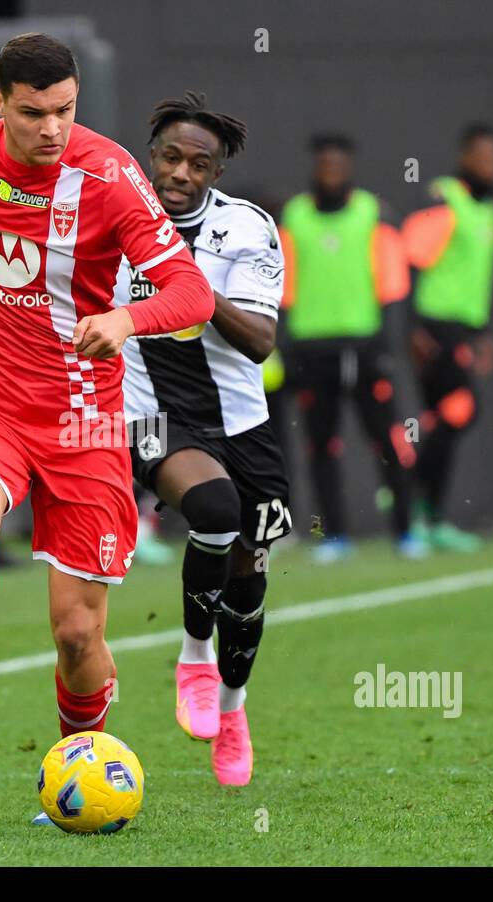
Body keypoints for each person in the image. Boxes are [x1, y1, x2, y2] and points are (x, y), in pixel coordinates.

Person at [0, 34, 214, 772]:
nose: (52, 129)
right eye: (34, 113)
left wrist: (124, 318)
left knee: (77, 634)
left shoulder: (108, 174)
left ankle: (79, 760)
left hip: (84, 416)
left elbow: (190, 289)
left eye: (66, 111)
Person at [114, 91, 288, 786]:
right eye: (169, 156)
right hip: (153, 415)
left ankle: (234, 705)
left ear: (216, 173)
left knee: (248, 585)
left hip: (243, 422)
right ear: (150, 157)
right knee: (213, 510)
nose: (181, 172)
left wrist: (192, 289)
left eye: (199, 163)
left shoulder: (247, 229)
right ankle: (192, 654)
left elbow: (260, 344)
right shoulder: (112, 219)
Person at [280, 133, 428, 562]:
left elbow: (393, 283)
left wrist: (386, 344)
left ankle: (405, 531)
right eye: (324, 165)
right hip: (312, 349)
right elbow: (284, 284)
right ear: (315, 168)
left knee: (387, 442)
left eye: (338, 165)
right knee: (321, 447)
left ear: (349, 169)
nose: (331, 172)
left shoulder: (372, 214)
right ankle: (336, 537)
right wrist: (287, 343)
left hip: (364, 348)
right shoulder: (295, 217)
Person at [401, 123, 493, 551]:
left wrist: (483, 334)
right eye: (481, 157)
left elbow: (472, 280)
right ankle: (411, 492)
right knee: (462, 407)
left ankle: (425, 510)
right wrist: (411, 328)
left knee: (445, 415)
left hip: (463, 328)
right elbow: (408, 260)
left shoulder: (487, 211)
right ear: (465, 158)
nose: (490, 166)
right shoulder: (447, 201)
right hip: (435, 327)